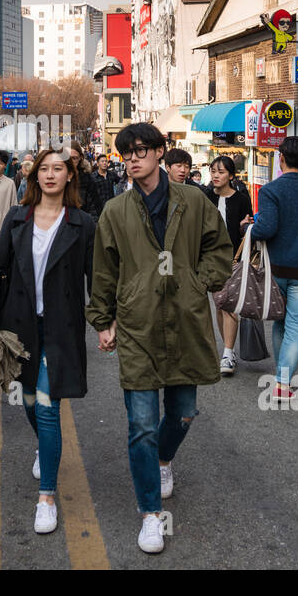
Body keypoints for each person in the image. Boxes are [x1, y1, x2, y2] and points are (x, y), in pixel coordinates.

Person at [86, 122, 233, 555]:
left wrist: (195, 280)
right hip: (138, 324)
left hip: (185, 320)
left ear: (160, 153)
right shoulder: (115, 211)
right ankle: (150, 512)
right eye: (126, 153)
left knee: (184, 413)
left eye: (142, 150)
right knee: (141, 424)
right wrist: (102, 320)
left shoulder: (193, 200)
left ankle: (164, 461)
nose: (133, 159)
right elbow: (104, 270)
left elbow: (219, 249)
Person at [0, 147, 95, 534]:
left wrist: (107, 321)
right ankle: (44, 448)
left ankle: (46, 495)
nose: (50, 175)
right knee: (28, 400)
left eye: (58, 169)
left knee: (47, 404)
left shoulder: (83, 223)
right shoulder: (18, 218)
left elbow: (98, 277)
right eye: (43, 169)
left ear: (69, 177)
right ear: (34, 177)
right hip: (20, 324)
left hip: (61, 327)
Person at [241, 136, 298, 402]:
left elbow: (266, 228)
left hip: (276, 267)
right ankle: (283, 382)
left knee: (280, 321)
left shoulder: (271, 190)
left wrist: (247, 227)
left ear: (280, 158)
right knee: (295, 324)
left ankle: (281, 379)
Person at [205, 155, 253, 376]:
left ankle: (227, 353)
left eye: (221, 171)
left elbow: (249, 229)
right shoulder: (205, 196)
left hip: (235, 258)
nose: (216, 175)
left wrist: (245, 225)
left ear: (231, 176)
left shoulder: (242, 198)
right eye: (213, 170)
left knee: (229, 305)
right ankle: (229, 350)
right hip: (211, 259)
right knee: (219, 304)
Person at [83, 153, 115, 219]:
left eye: (106, 161)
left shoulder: (112, 175)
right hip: (96, 211)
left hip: (110, 209)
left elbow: (121, 182)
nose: (104, 163)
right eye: (102, 161)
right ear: (97, 164)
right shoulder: (93, 177)